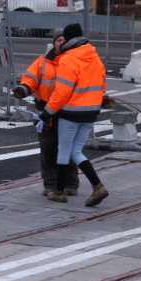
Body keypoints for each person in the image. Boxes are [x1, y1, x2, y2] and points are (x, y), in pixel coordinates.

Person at [41, 24, 110, 207]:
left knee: (64, 151)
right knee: (76, 151)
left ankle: (59, 192)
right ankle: (97, 186)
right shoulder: (94, 57)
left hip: (71, 112)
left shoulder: (67, 59)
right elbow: (103, 84)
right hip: (91, 112)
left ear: (69, 39)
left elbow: (62, 92)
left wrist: (47, 112)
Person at [11, 33, 67, 196]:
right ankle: (50, 184)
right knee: (48, 147)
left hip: (67, 110)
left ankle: (70, 183)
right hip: (45, 110)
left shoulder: (73, 62)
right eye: (58, 40)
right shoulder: (42, 62)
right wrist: (24, 89)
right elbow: (31, 78)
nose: (61, 43)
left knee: (67, 149)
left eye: (64, 40)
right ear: (54, 43)